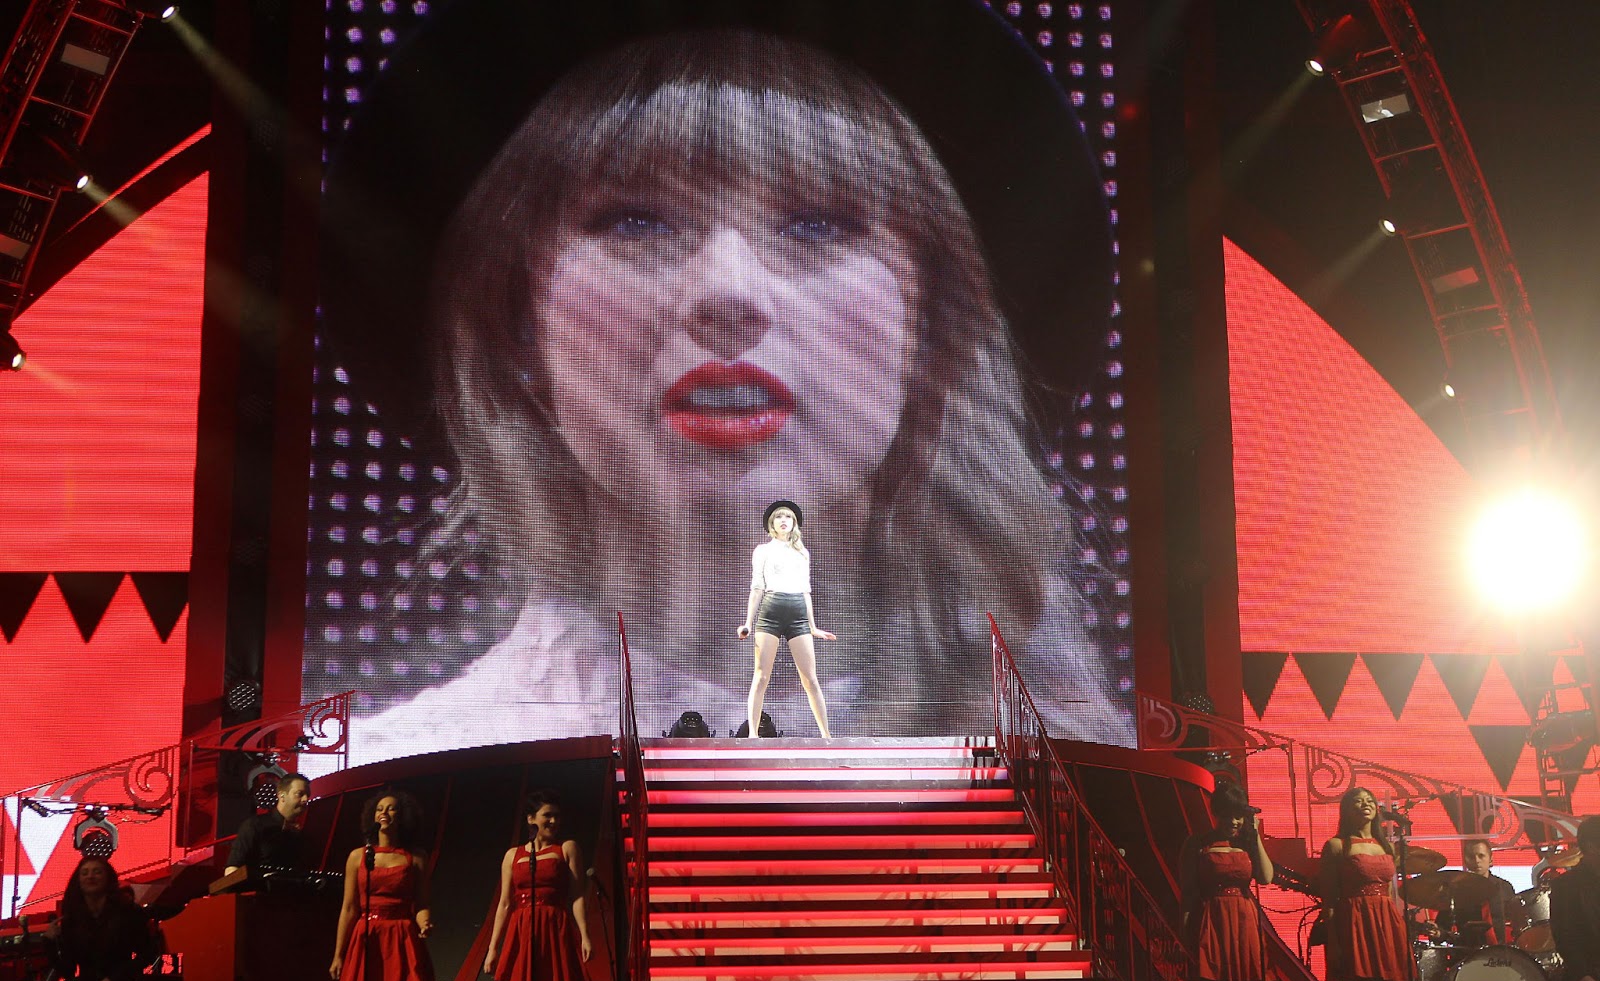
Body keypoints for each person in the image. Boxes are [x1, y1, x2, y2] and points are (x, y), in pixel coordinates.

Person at [317, 11, 1124, 762]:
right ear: (514, 322)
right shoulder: (404, 778)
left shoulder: (1073, 788)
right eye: (636, 222)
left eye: (817, 224)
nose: (729, 293)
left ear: (931, 329)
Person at [483, 790, 593, 981]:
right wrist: (493, 948)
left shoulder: (567, 848)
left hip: (554, 929)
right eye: (547, 815)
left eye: (557, 816)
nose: (553, 821)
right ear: (532, 819)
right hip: (521, 932)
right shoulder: (513, 855)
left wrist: (584, 935)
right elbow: (505, 904)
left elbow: (577, 895)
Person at [330, 791, 434, 981]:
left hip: (401, 937)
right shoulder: (358, 856)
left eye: (391, 808)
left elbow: (422, 903)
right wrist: (339, 954)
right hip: (368, 938)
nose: (384, 812)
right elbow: (349, 908)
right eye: (379, 808)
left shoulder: (416, 857)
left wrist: (424, 921)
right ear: (372, 817)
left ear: (403, 816)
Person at [1179, 779, 1273, 981]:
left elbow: (1267, 878)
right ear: (1217, 813)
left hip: (1244, 921)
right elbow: (1188, 894)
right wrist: (1186, 940)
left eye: (1239, 814)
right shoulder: (1197, 843)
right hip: (1212, 921)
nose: (1234, 820)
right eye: (1229, 814)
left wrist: (1254, 836)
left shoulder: (1246, 842)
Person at [1318, 787, 1412, 981]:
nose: (1365, 805)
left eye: (1369, 801)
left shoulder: (1386, 846)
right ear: (1346, 810)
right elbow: (1329, 900)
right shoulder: (1337, 846)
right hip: (1355, 924)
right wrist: (1334, 943)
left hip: (1385, 922)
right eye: (1358, 801)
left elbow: (1391, 891)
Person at [737, 500, 836, 738]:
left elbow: (805, 591)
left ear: (794, 523)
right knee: (761, 675)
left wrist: (812, 627)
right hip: (771, 611)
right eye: (779, 517)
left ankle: (826, 735)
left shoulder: (802, 553)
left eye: (788, 517)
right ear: (772, 523)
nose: (784, 521)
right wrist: (748, 623)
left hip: (797, 614)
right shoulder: (763, 550)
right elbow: (757, 587)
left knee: (810, 678)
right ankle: (753, 734)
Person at [1550, 815, 1600, 981]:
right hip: (1591, 977)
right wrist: (1586, 979)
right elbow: (1565, 938)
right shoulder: (1566, 886)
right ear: (1591, 847)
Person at [225, 772, 312, 875]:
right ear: (281, 795)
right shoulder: (255, 825)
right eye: (300, 794)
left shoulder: (301, 834)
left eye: (307, 795)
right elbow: (232, 869)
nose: (305, 799)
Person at [1435, 838, 1517, 948]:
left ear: (1491, 859)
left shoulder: (1505, 888)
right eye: (1471, 857)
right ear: (1465, 860)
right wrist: (1438, 933)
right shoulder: (1456, 891)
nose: (1476, 860)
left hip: (1501, 952)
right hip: (1467, 954)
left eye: (1481, 856)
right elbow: (1443, 928)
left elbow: (1517, 923)